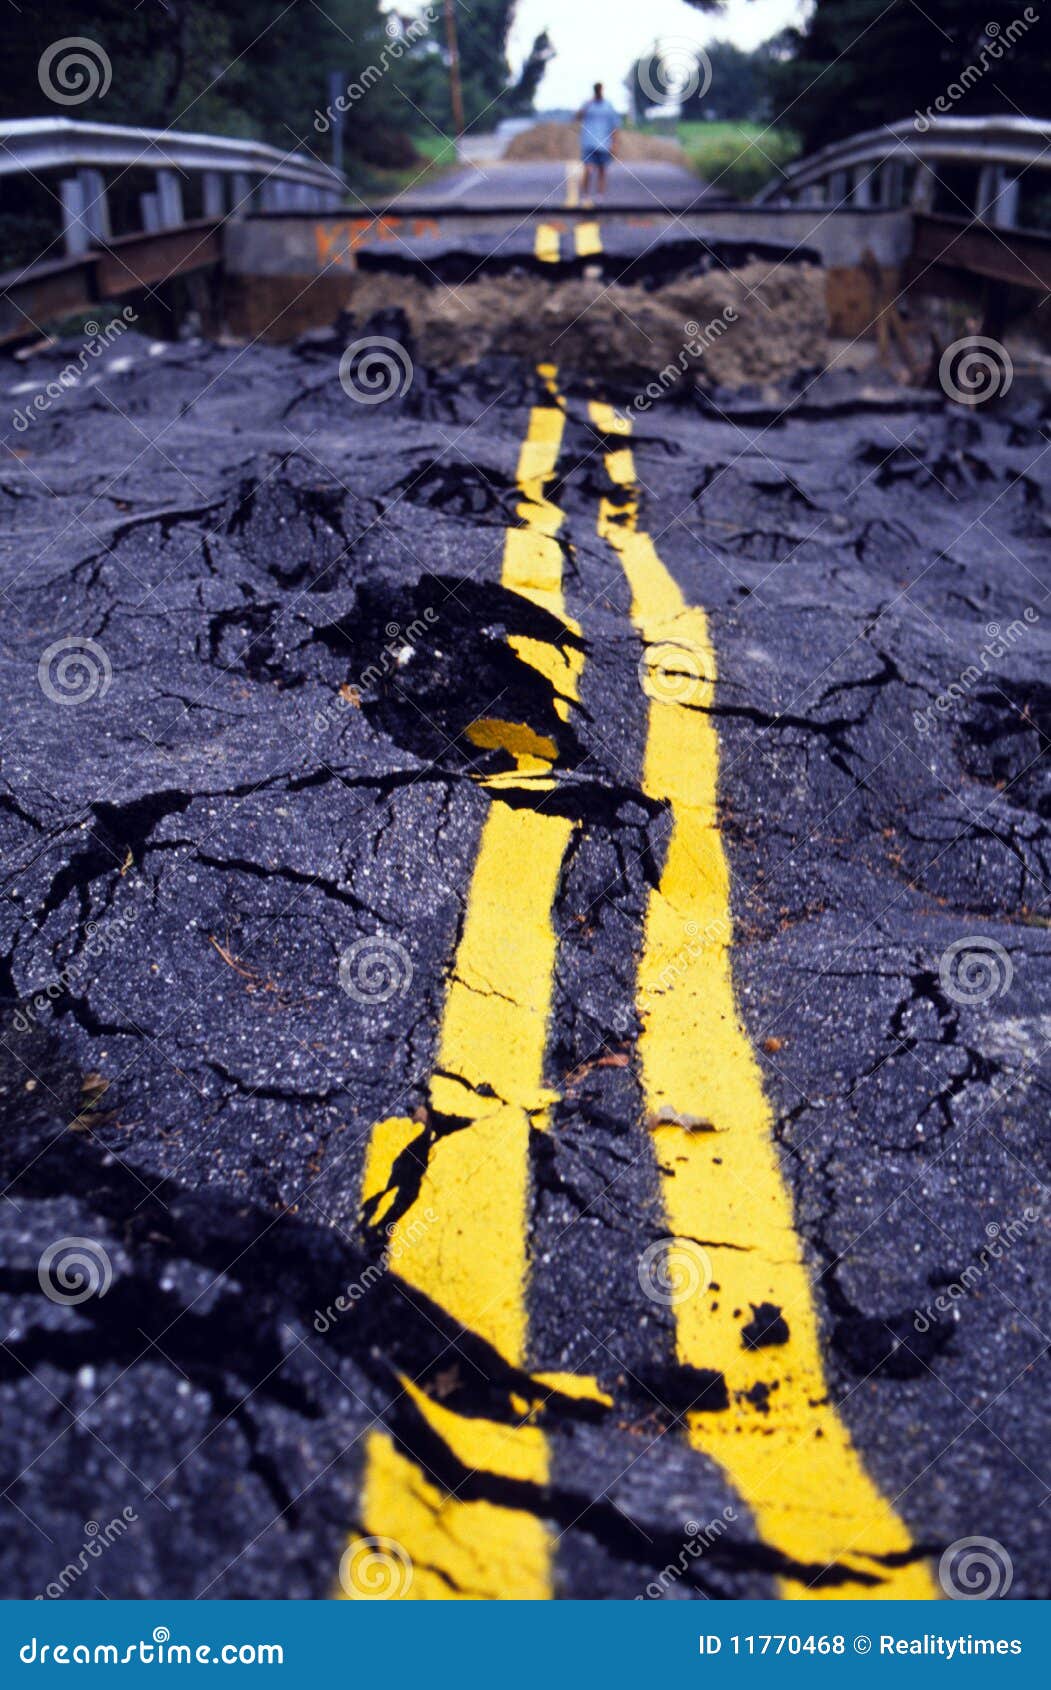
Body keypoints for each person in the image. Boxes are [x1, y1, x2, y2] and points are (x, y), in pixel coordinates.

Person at [576, 82, 620, 206]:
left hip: (604, 143)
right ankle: (585, 195)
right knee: (588, 169)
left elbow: (615, 126)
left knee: (602, 170)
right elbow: (577, 117)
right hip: (588, 143)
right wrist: (588, 104)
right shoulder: (588, 105)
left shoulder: (608, 106)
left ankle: (599, 197)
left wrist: (614, 144)